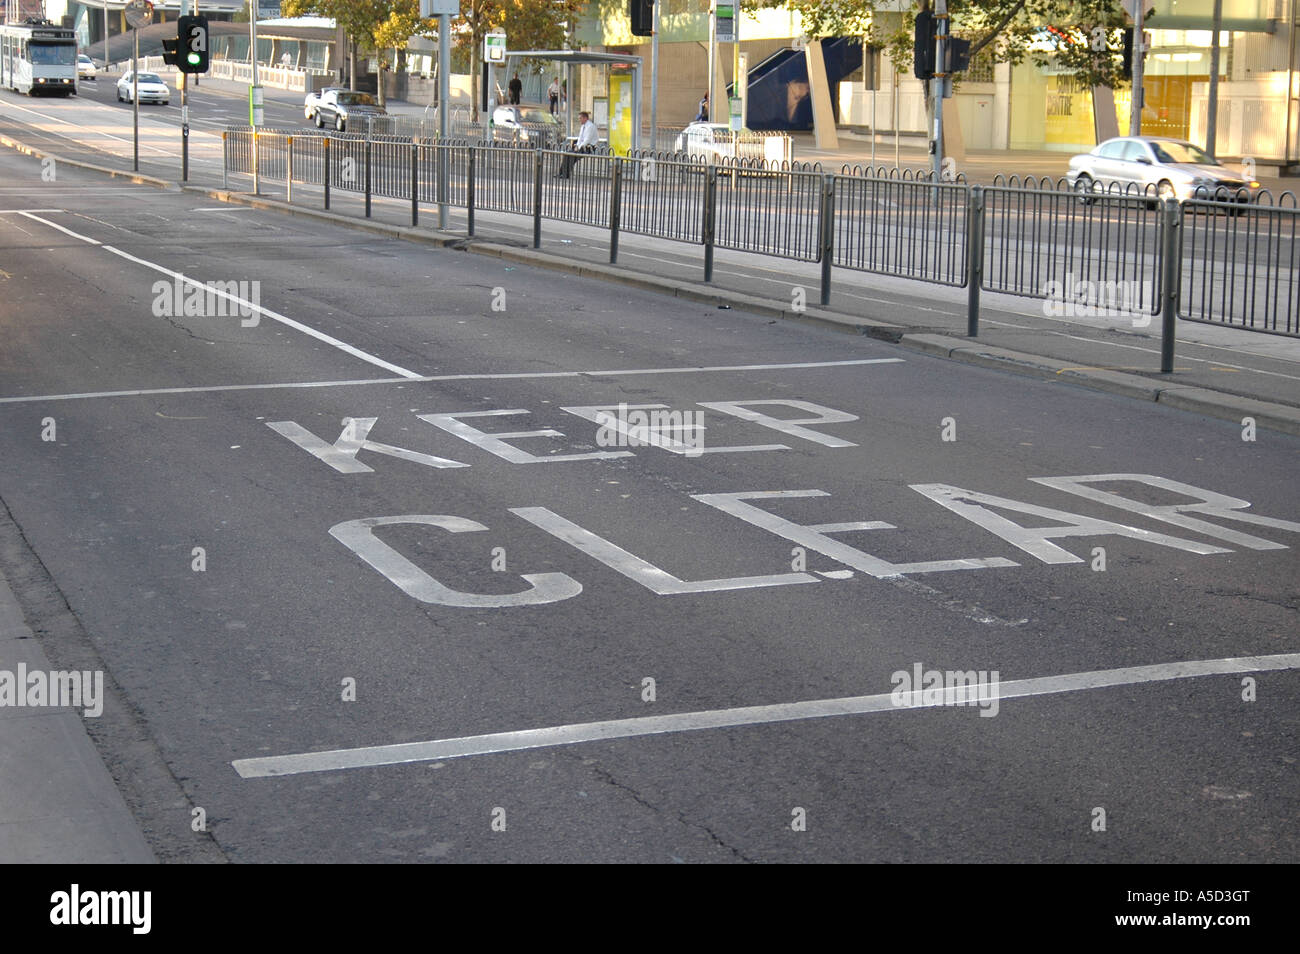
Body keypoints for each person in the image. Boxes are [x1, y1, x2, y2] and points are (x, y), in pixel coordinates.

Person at [555, 111, 598, 179]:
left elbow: (587, 140)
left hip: (589, 147)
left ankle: (565, 174)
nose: (579, 120)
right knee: (567, 154)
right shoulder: (583, 126)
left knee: (571, 156)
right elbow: (580, 138)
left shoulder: (590, 126)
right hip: (582, 146)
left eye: (580, 118)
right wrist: (577, 146)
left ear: (585, 118)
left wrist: (578, 147)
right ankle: (561, 173)